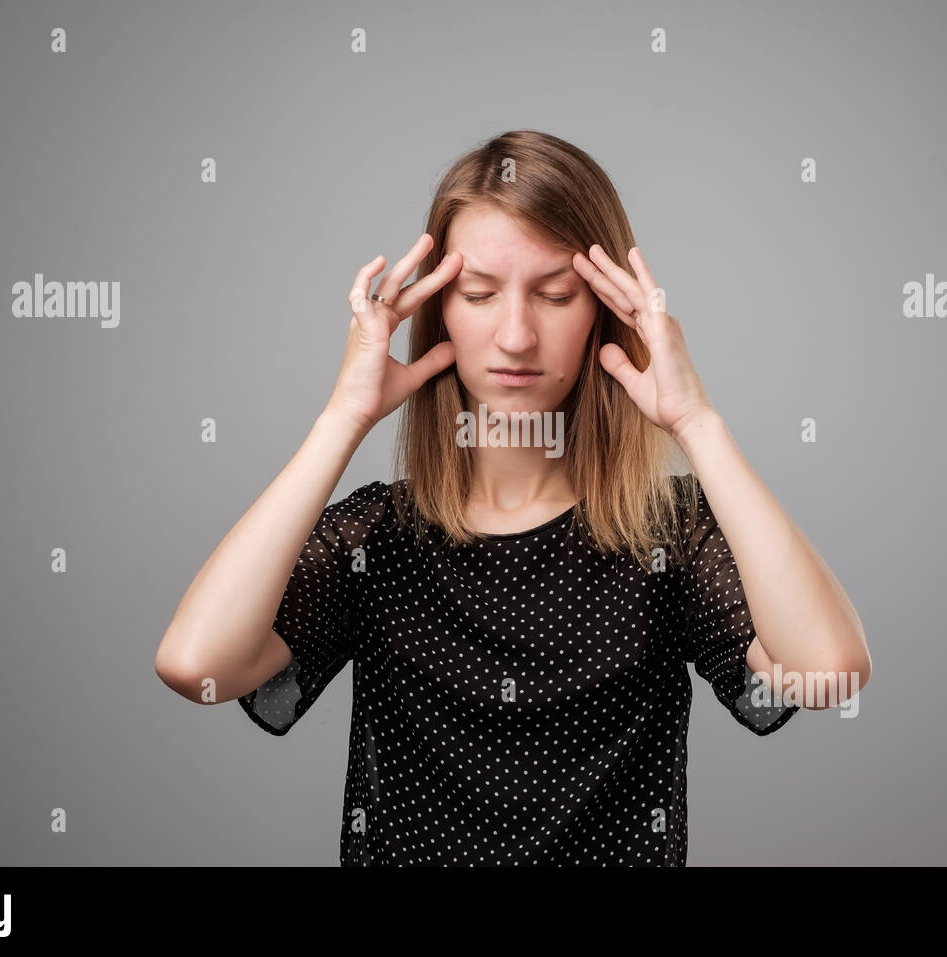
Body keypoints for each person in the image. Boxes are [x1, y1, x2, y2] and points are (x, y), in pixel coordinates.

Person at [154, 129, 872, 866]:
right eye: (479, 294)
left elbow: (829, 668)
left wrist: (698, 423)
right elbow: (195, 660)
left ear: (603, 312)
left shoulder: (668, 532)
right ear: (439, 313)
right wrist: (341, 419)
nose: (518, 334)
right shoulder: (378, 536)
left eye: (556, 295)